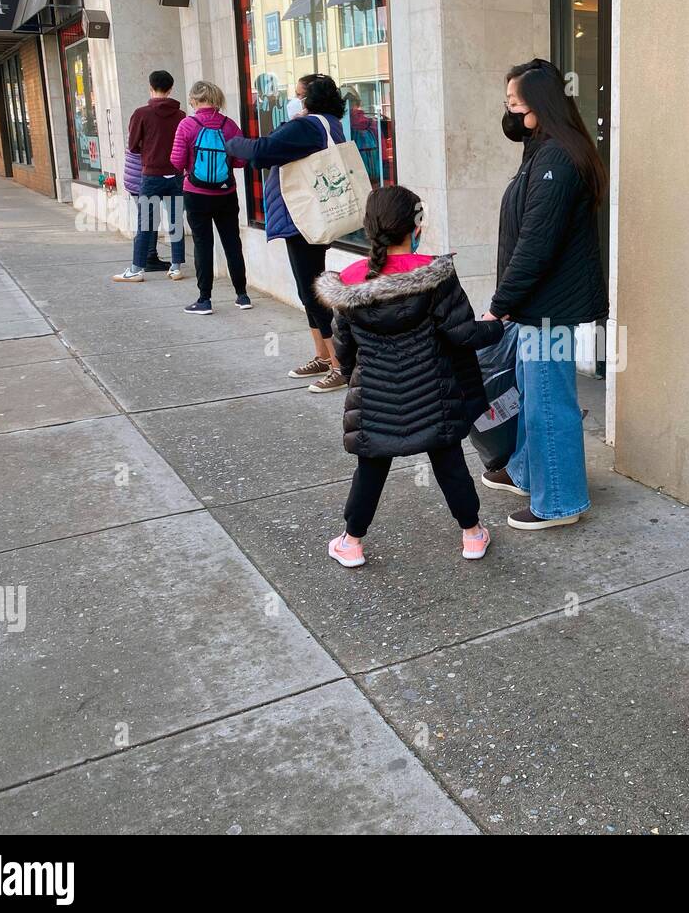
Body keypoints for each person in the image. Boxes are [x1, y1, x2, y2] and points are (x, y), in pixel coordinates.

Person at [314, 185, 504, 566]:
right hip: (434, 394)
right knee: (450, 464)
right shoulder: (436, 274)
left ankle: (351, 543)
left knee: (371, 468)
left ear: (370, 229)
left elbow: (344, 350)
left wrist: (359, 382)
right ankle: (471, 535)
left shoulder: (348, 283)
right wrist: (496, 325)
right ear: (415, 226)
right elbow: (463, 334)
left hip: (375, 397)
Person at [479, 58, 609, 530]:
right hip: (540, 306)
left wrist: (501, 306)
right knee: (535, 397)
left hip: (548, 310)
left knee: (549, 404)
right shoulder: (545, 148)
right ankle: (527, 473)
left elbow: (537, 243)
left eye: (515, 102)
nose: (509, 111)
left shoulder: (556, 157)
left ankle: (560, 502)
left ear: (539, 103)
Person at [225, 74, 347, 393]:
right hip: (307, 216)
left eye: (298, 95)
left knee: (313, 291)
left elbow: (262, 151)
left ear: (311, 99)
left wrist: (230, 140)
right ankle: (322, 355)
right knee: (308, 288)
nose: (294, 100)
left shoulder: (308, 126)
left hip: (303, 218)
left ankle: (339, 365)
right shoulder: (327, 122)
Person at [169, 81, 251, 315]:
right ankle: (242, 295)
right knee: (232, 242)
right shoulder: (229, 125)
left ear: (194, 100)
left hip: (196, 194)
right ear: (216, 99)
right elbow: (241, 160)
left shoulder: (187, 125)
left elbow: (176, 161)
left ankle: (204, 300)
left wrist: (192, 168)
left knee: (203, 245)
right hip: (226, 193)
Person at [115, 70, 186, 283]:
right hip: (175, 174)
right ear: (171, 88)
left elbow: (133, 146)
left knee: (145, 223)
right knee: (175, 222)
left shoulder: (141, 113)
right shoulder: (181, 115)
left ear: (150, 87)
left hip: (151, 174)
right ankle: (175, 267)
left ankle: (136, 269)